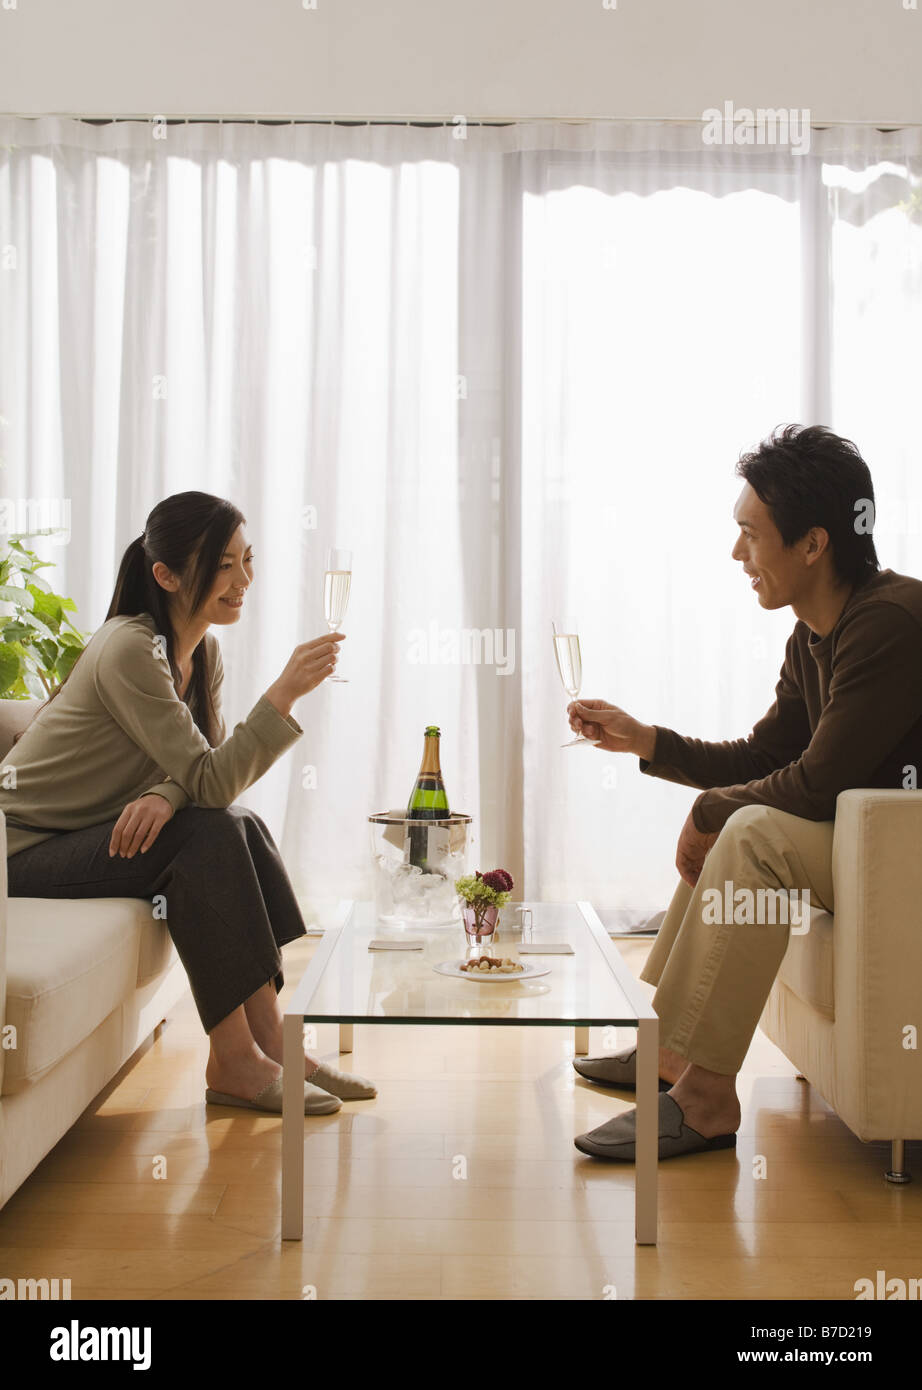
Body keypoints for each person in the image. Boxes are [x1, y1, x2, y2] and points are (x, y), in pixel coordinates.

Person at [567, 423, 922, 1160]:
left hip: (902, 858)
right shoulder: (813, 635)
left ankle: (704, 1102)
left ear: (814, 543)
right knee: (744, 821)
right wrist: (645, 740)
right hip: (868, 852)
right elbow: (767, 754)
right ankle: (667, 1055)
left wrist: (710, 810)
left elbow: (818, 780)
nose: (738, 555)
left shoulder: (889, 624)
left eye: (750, 535)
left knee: (751, 833)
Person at [2, 491, 376, 1115]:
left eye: (246, 560)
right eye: (223, 564)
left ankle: (273, 1043)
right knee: (209, 834)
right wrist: (281, 695)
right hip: (20, 851)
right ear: (166, 575)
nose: (243, 579)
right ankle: (232, 1060)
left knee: (237, 824)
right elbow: (210, 776)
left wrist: (164, 792)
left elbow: (204, 770)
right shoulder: (129, 648)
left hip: (77, 835)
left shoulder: (201, 653)